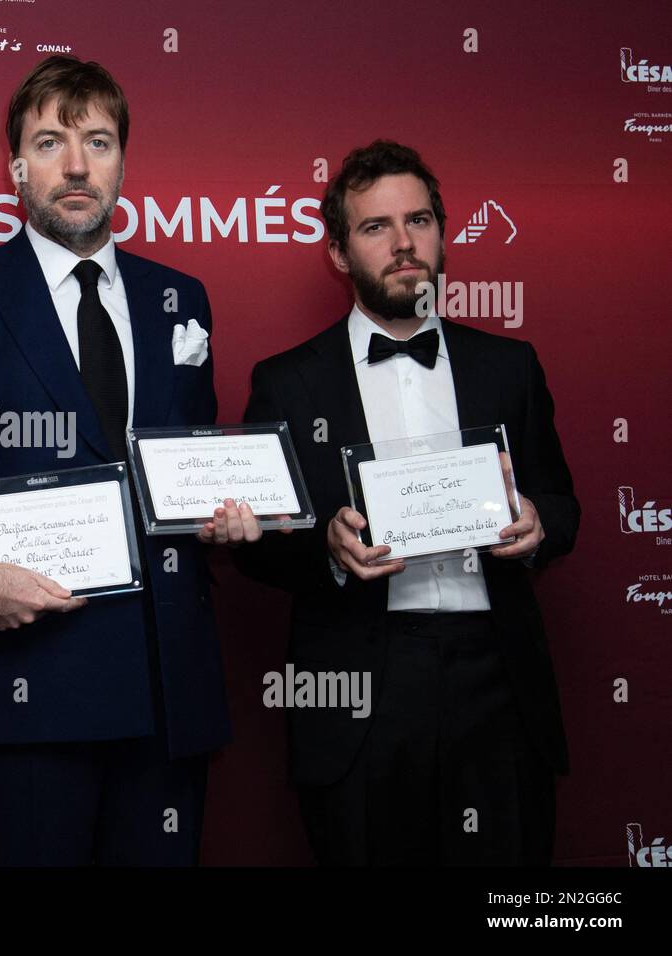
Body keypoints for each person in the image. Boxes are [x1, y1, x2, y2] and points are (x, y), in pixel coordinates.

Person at [0, 56, 263, 866]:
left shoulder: (180, 297)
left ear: (123, 161)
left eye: (99, 142)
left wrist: (230, 516)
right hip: (27, 691)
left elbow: (187, 464)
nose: (77, 165)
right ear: (16, 167)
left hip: (167, 692)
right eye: (50, 142)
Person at [235, 140, 579, 865]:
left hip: (499, 684)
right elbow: (260, 543)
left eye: (418, 220)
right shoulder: (287, 382)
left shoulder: (510, 366)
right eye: (375, 227)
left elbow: (562, 501)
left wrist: (539, 522)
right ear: (337, 251)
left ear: (442, 232)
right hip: (360, 687)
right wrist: (325, 547)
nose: (403, 243)